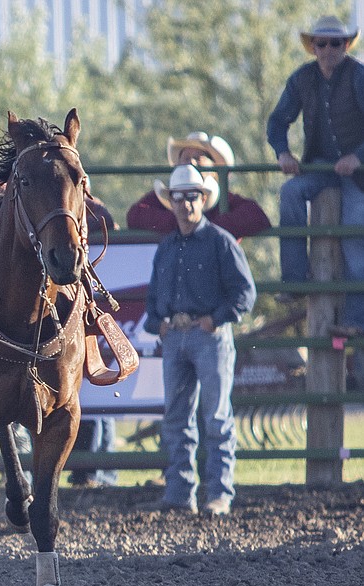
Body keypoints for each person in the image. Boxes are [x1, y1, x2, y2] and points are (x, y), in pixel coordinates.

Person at [142, 165, 257, 516]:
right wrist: (158, 323)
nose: (185, 203)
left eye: (192, 196)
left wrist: (214, 319)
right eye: (179, 197)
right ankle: (182, 494)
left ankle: (216, 493)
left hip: (207, 336)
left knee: (215, 417)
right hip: (179, 336)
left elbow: (245, 294)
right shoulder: (170, 247)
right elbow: (153, 297)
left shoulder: (219, 242)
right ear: (171, 203)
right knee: (178, 418)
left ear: (203, 200)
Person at [268, 15, 364, 326]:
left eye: (335, 42)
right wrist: (283, 152)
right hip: (321, 167)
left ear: (346, 45)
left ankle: (355, 320)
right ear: (312, 47)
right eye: (320, 43)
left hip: (358, 175)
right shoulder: (301, 79)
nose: (328, 49)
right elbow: (277, 121)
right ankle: (295, 281)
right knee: (290, 192)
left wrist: (358, 157)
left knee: (353, 232)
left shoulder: (359, 76)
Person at [127, 133, 270, 240]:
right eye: (186, 158)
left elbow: (256, 216)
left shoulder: (225, 199)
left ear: (214, 168)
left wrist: (204, 229)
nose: (191, 163)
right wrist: (182, 224)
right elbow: (135, 215)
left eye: (198, 158)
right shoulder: (166, 197)